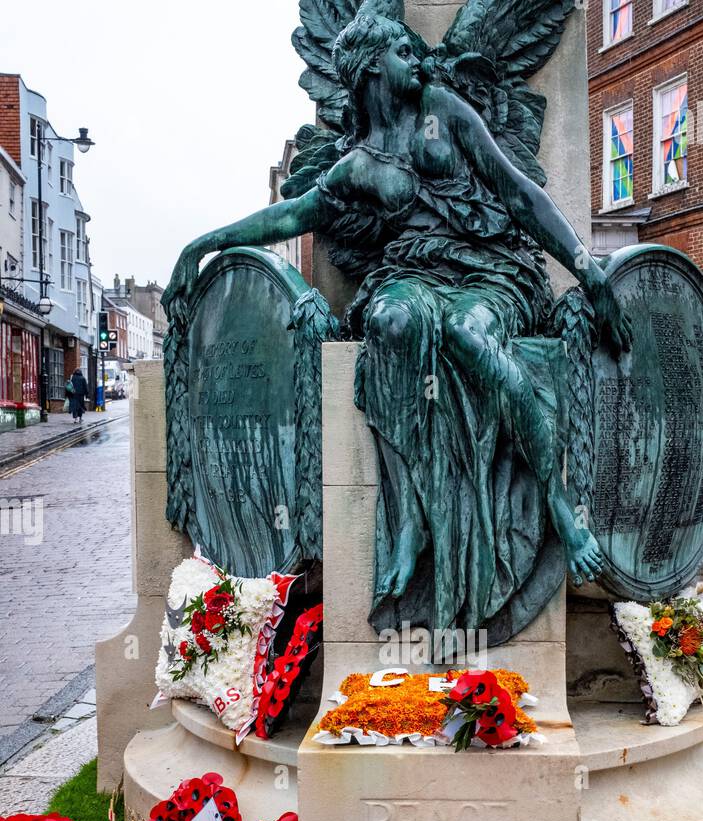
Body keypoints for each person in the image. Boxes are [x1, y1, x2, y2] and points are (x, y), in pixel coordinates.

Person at [164, 12, 633, 637]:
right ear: (369, 68)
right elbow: (289, 216)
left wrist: (586, 268)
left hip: (489, 267)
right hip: (410, 273)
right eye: (399, 48)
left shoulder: (443, 108)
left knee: (471, 336)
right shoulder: (356, 166)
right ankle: (411, 515)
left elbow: (519, 192)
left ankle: (559, 503)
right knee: (389, 322)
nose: (416, 54)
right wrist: (204, 244)